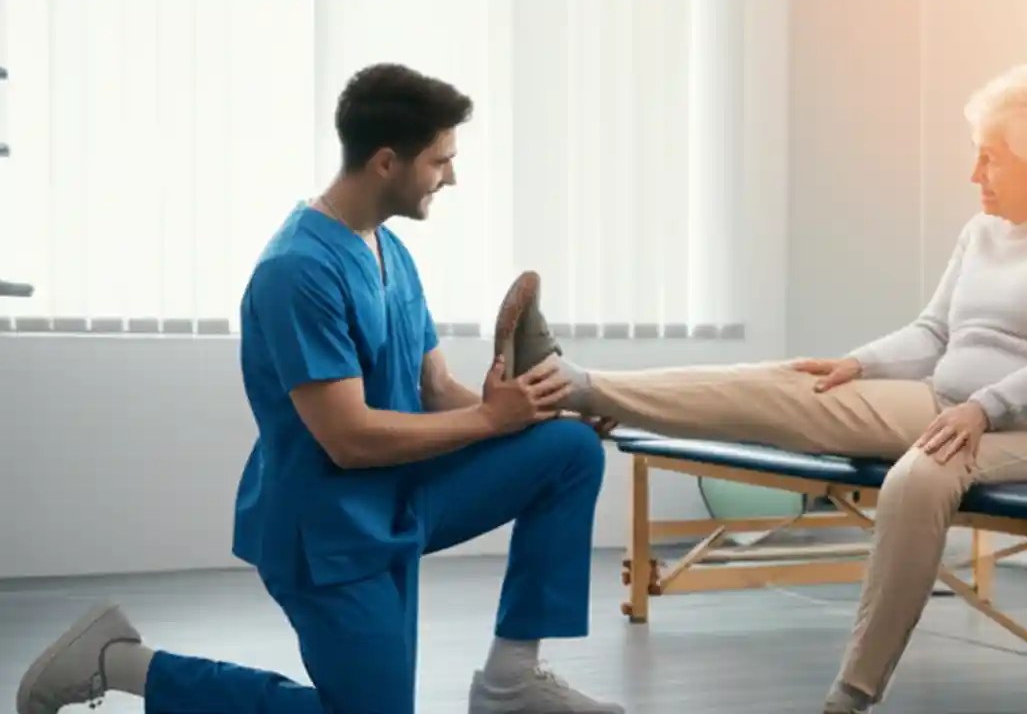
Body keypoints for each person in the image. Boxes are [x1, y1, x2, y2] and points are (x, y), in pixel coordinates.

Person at [506, 64, 1027, 713]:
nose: (975, 174)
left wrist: (986, 407)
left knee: (919, 479)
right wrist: (856, 365)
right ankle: (577, 385)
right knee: (790, 386)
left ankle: (851, 696)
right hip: (950, 404)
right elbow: (933, 333)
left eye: (991, 159)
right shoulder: (981, 229)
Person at [16, 63, 625, 714]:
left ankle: (512, 680)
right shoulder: (297, 270)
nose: (451, 176)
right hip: (327, 531)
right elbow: (349, 439)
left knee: (567, 449)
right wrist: (493, 421)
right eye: (441, 160)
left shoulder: (388, 249)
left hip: (400, 496)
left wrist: (527, 412)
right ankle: (123, 663)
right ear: (388, 162)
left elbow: (435, 386)